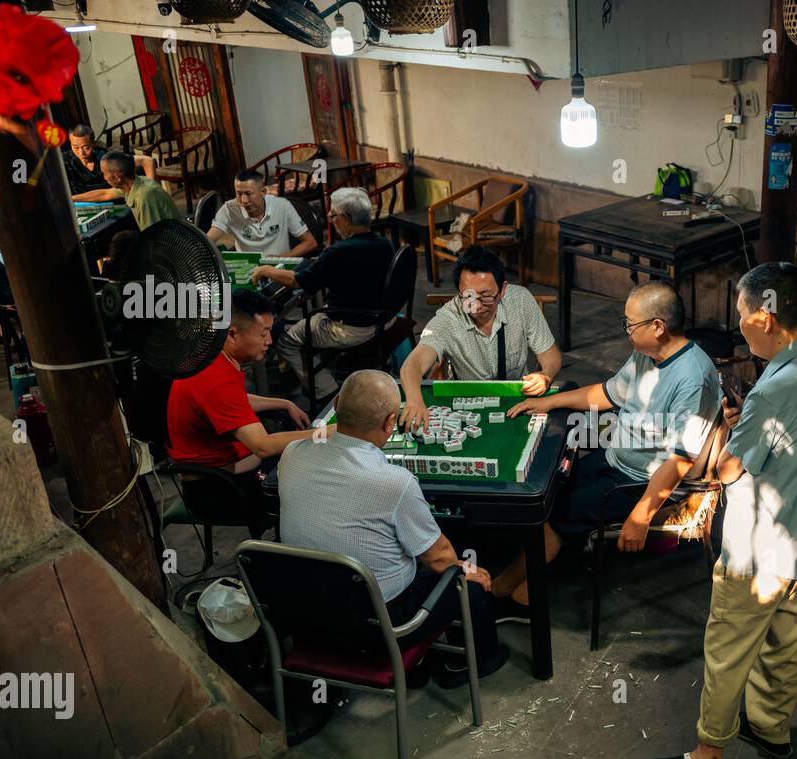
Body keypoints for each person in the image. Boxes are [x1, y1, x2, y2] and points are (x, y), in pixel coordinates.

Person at [642, 263, 797, 759]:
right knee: (783, 639)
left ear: (766, 315)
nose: (739, 328)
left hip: (758, 549)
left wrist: (728, 436)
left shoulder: (772, 393)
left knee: (727, 651)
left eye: (742, 317)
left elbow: (730, 469)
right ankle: (772, 728)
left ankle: (707, 758)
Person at [492, 280, 720, 621]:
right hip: (616, 458)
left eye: (630, 324)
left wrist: (641, 516)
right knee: (548, 489)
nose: (626, 330)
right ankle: (532, 580)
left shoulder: (691, 377)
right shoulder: (647, 355)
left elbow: (680, 460)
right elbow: (608, 394)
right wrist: (547, 401)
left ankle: (502, 593)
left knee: (552, 517)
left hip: (641, 481)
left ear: (657, 326)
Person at [278, 369, 509, 689]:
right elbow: (440, 559)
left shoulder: (291, 455)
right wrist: (466, 569)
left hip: (304, 614)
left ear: (336, 404)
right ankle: (478, 661)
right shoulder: (395, 483)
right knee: (467, 583)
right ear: (390, 422)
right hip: (377, 627)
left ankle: (419, 666)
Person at [165, 289, 323, 533]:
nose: (269, 341)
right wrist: (328, 432)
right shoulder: (215, 379)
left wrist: (284, 403)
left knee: (302, 459)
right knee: (313, 486)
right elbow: (262, 445)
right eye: (263, 333)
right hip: (217, 490)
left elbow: (235, 402)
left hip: (226, 471)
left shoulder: (212, 355)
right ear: (232, 334)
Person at [398, 245, 561, 432]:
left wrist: (546, 374)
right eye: (468, 296)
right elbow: (413, 364)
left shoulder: (521, 301)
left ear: (502, 290)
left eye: (485, 296)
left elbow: (550, 354)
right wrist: (414, 400)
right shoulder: (448, 319)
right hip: (465, 403)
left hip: (518, 397)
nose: (475, 305)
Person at [258, 187, 395, 401]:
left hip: (350, 327)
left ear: (346, 219)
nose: (330, 219)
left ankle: (326, 391)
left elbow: (298, 281)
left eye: (333, 215)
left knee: (285, 340)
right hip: (383, 319)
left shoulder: (339, 252)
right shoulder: (384, 243)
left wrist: (266, 270)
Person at [206, 168, 318, 258]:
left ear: (263, 192)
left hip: (278, 269)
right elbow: (208, 241)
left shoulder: (282, 206)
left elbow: (310, 243)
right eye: (239, 194)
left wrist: (282, 258)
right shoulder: (229, 209)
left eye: (249, 194)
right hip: (247, 271)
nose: (244, 200)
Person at [66, 125, 156, 201]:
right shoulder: (66, 160)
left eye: (86, 147)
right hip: (82, 205)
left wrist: (150, 191)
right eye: (76, 147)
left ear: (94, 143)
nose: (81, 153)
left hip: (114, 202)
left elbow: (147, 161)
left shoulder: (106, 158)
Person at [100, 151, 179, 231]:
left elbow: (152, 237)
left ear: (117, 176)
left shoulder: (143, 197)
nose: (104, 178)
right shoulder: (138, 181)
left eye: (104, 173)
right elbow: (103, 194)